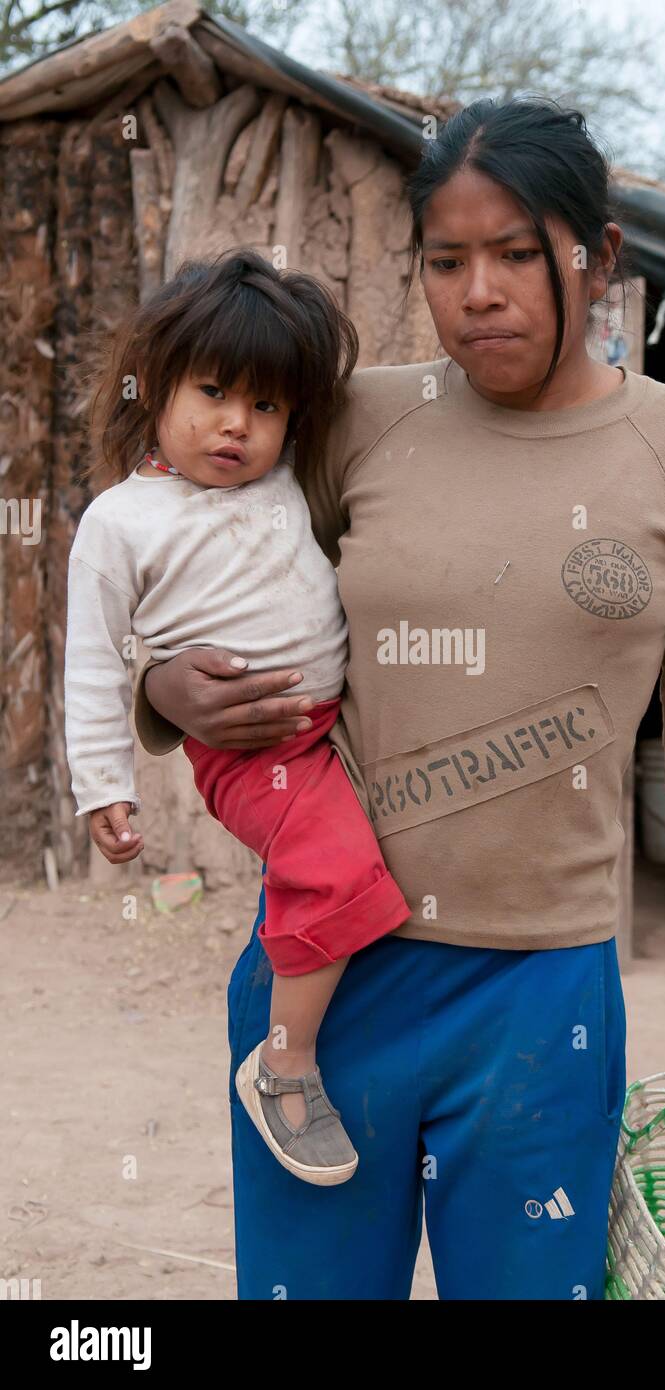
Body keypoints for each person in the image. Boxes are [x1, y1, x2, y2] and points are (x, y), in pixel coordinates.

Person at [132, 96, 665, 1300]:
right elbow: (185, 542)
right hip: (331, 981)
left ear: (596, 256)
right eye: (445, 259)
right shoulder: (356, 419)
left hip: (543, 996)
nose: (476, 291)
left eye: (512, 253)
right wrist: (159, 680)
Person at [64, 249, 412, 1187]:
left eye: (264, 406)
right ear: (157, 384)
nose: (235, 425)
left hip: (335, 726)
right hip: (254, 751)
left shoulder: (285, 480)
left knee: (359, 863)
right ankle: (284, 1064)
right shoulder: (121, 522)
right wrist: (105, 785)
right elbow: (95, 663)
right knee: (335, 876)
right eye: (212, 391)